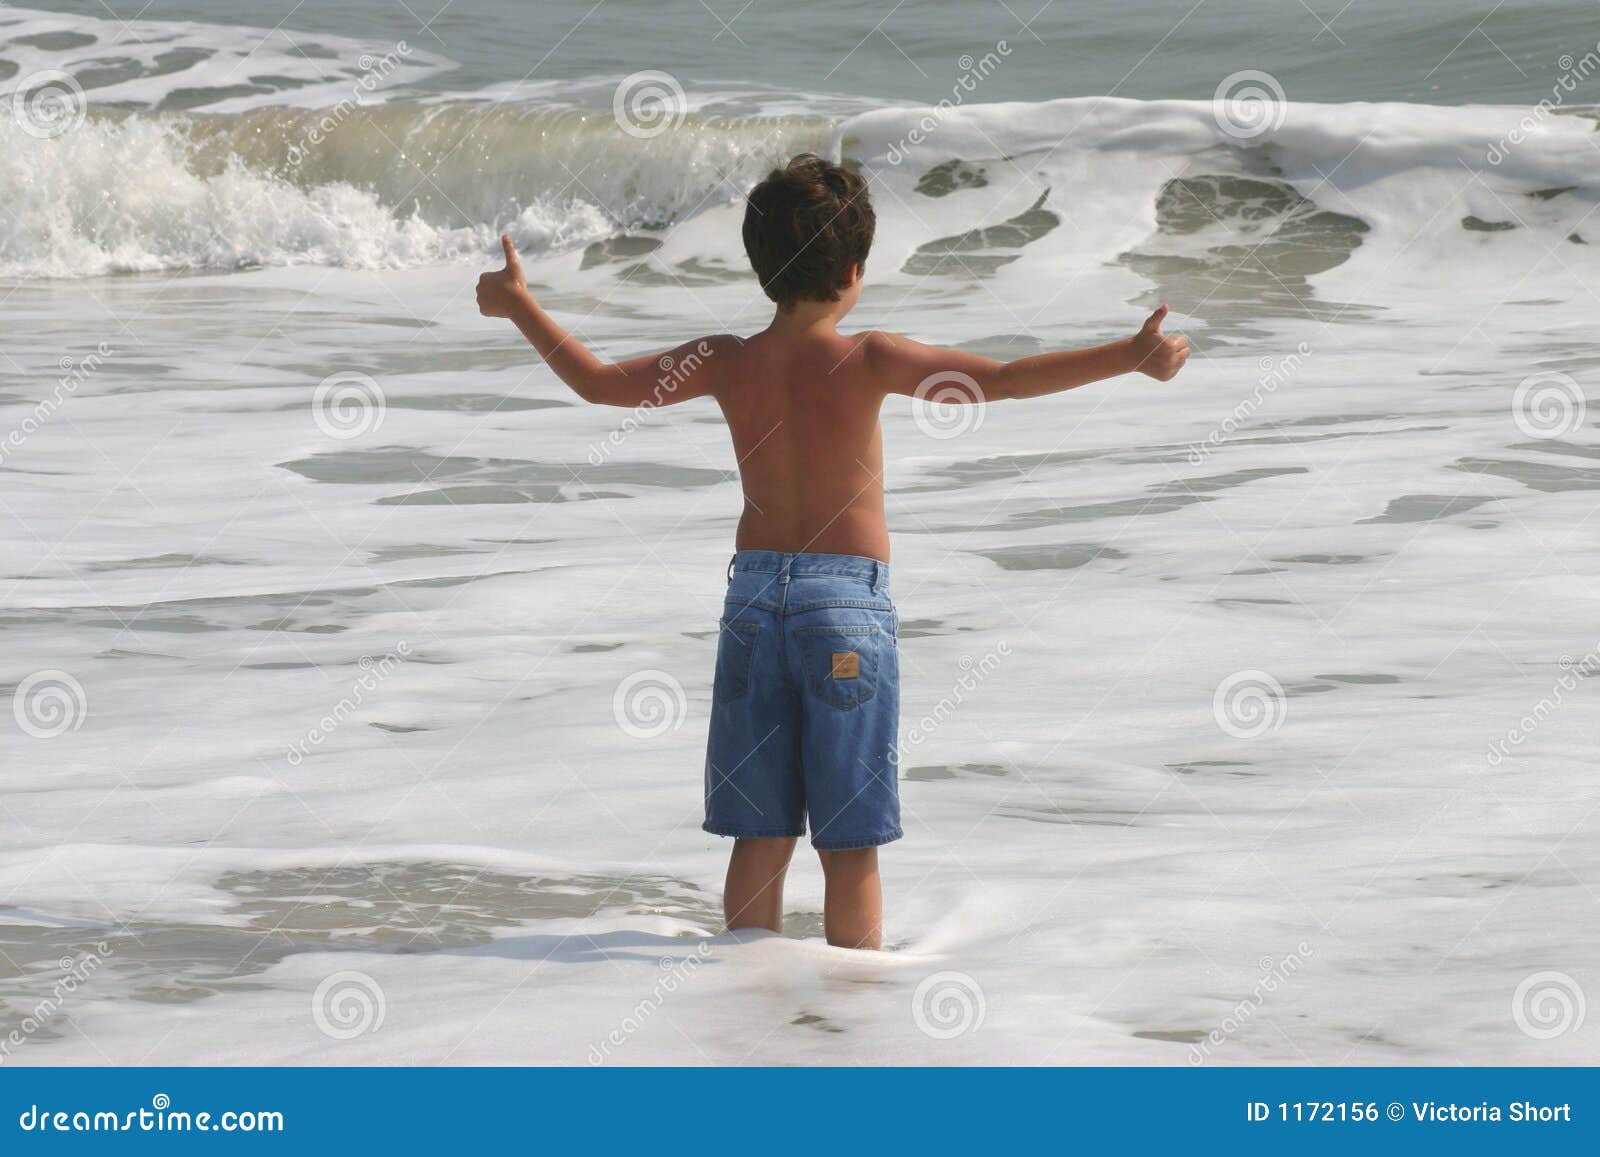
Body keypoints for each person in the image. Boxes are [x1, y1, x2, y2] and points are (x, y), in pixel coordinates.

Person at [475, 153, 1189, 950]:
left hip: (751, 606)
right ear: (853, 269)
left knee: (762, 832)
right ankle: (851, 1025)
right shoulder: (869, 357)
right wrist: (1130, 355)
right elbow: (1008, 379)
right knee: (849, 845)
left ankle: (741, 992)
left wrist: (519, 305)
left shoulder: (724, 360)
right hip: (845, 607)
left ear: (759, 266)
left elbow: (601, 382)